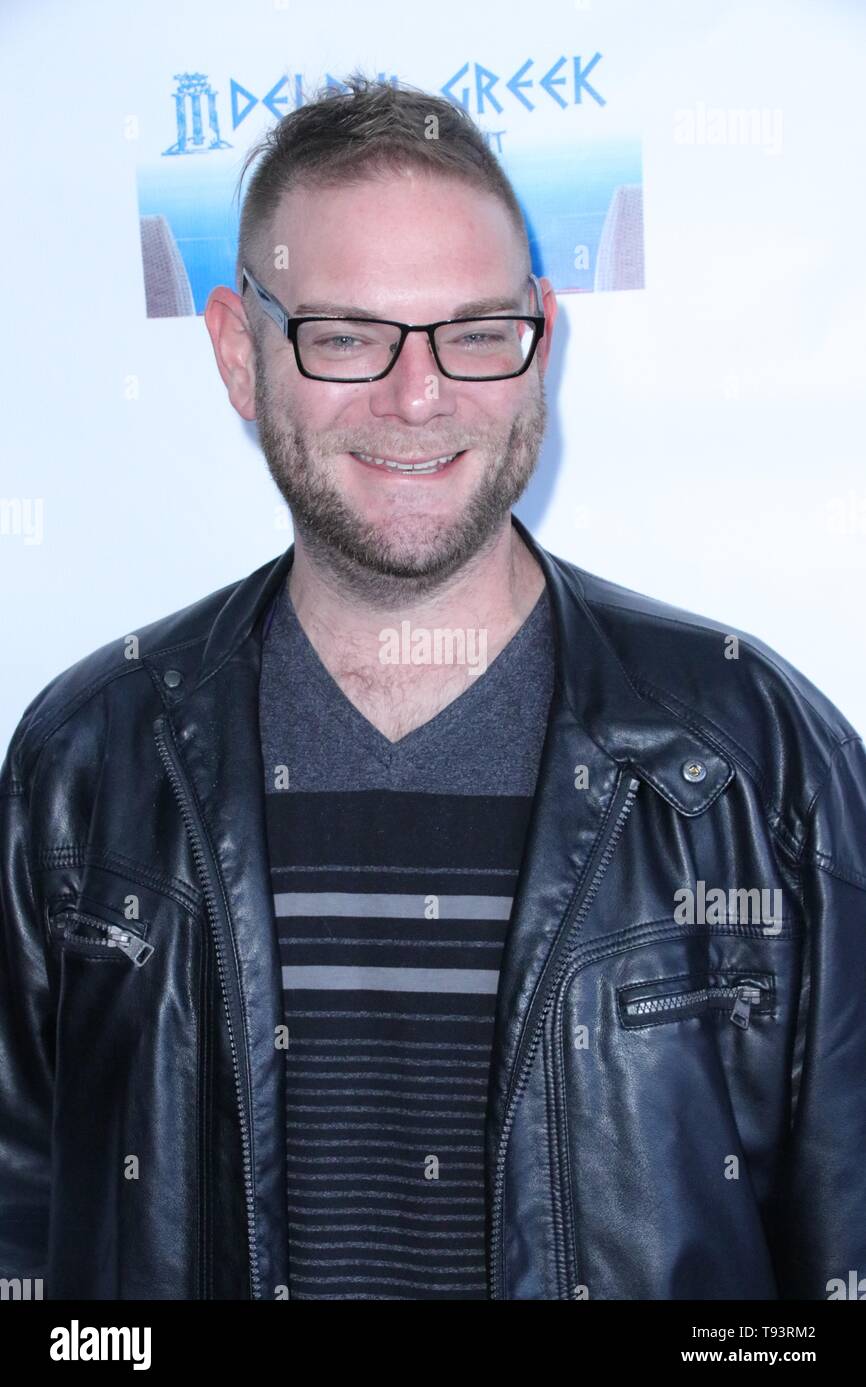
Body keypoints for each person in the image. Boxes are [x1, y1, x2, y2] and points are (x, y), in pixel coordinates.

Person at [1, 75, 864, 1302]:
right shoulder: (86, 764)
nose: (420, 398)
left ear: (538, 344)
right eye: (347, 336)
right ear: (240, 357)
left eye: (471, 333)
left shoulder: (753, 754)